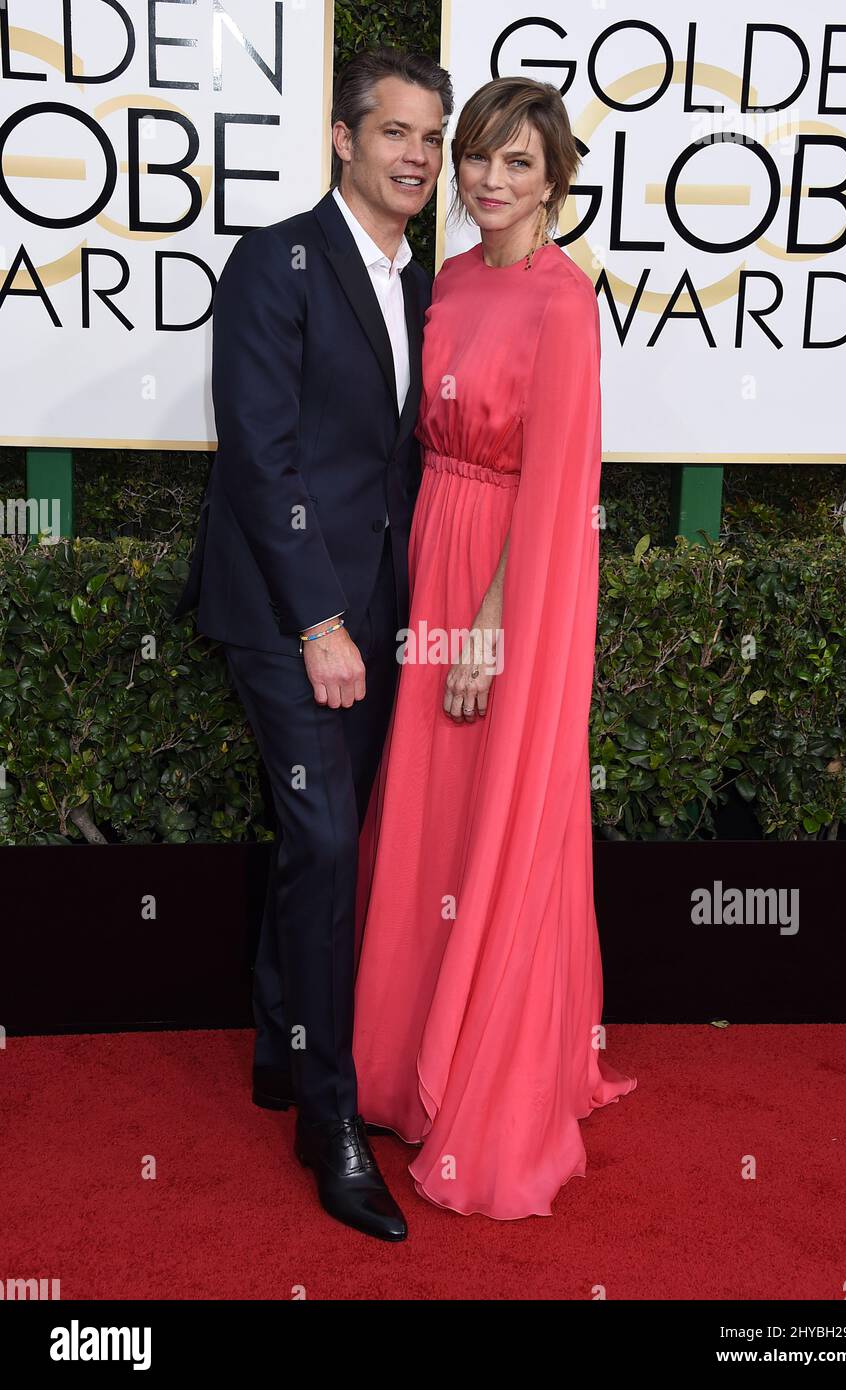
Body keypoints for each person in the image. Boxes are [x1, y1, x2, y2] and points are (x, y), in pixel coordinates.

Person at [172, 47, 453, 1241]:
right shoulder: (273, 259)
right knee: (331, 844)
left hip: (382, 607)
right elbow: (259, 456)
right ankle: (330, 1121)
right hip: (294, 612)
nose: (417, 158)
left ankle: (280, 1047)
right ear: (342, 139)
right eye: (394, 133)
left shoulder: (424, 280)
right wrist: (321, 621)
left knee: (321, 843)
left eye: (433, 140)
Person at [351, 76, 637, 1220]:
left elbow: (564, 486)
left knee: (498, 808)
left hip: (512, 580)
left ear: (554, 179)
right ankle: (402, 1063)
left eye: (517, 164)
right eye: (476, 158)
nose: (487, 180)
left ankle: (484, 1075)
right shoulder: (451, 278)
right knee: (425, 806)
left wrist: (488, 628)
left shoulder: (565, 303)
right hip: (437, 541)